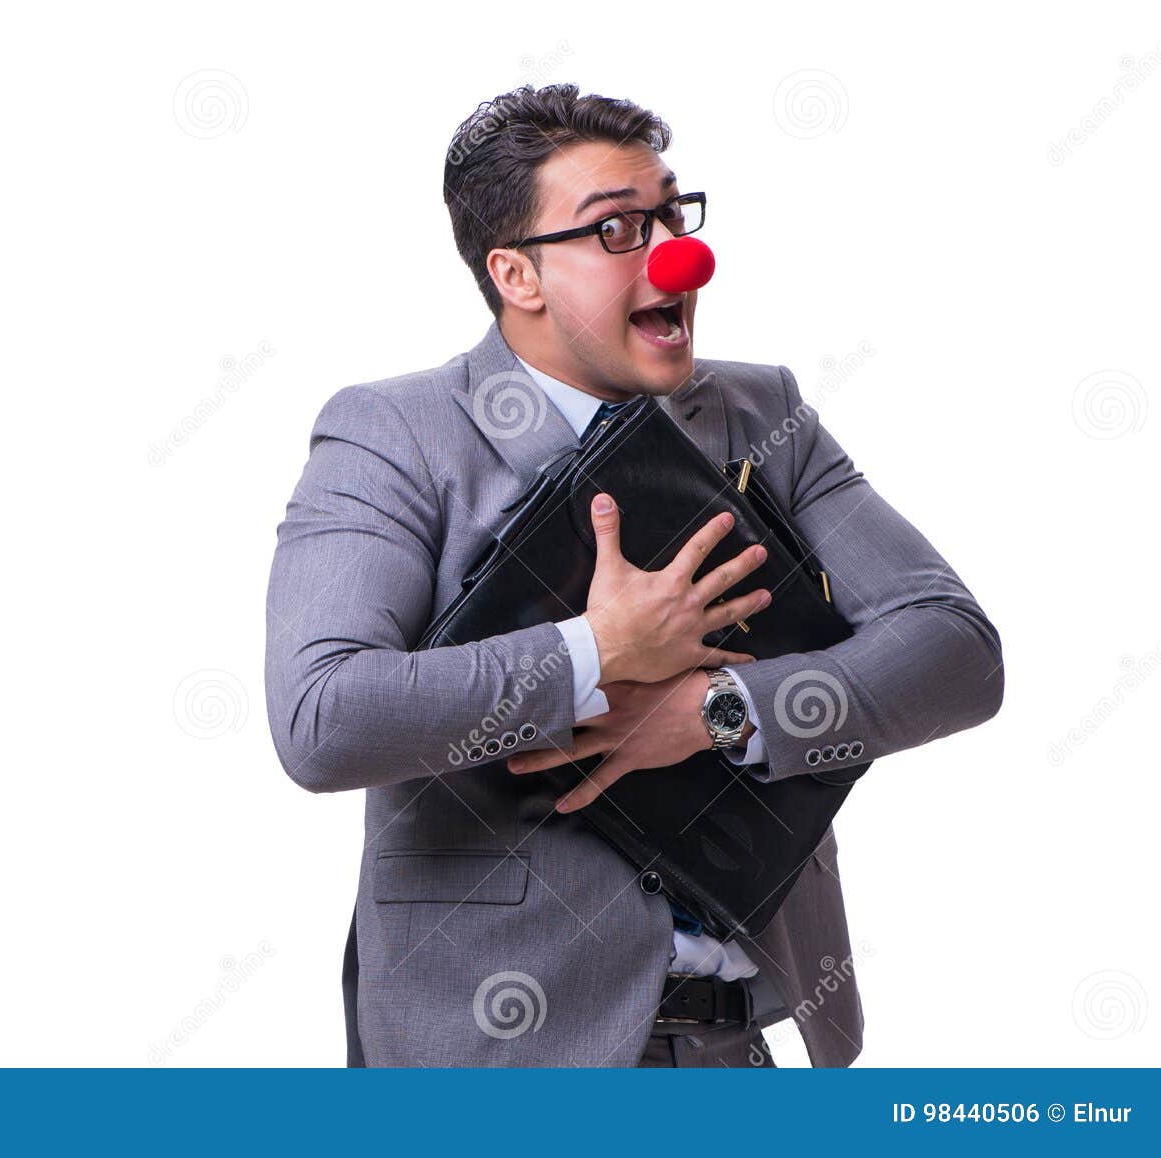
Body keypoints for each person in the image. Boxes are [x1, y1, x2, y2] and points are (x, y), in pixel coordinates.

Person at [263, 83, 1003, 1067]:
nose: (673, 255)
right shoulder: (392, 434)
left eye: (669, 214)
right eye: (617, 227)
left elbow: (954, 648)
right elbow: (323, 717)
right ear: (516, 275)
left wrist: (716, 710)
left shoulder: (758, 413)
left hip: (739, 1051)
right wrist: (597, 652)